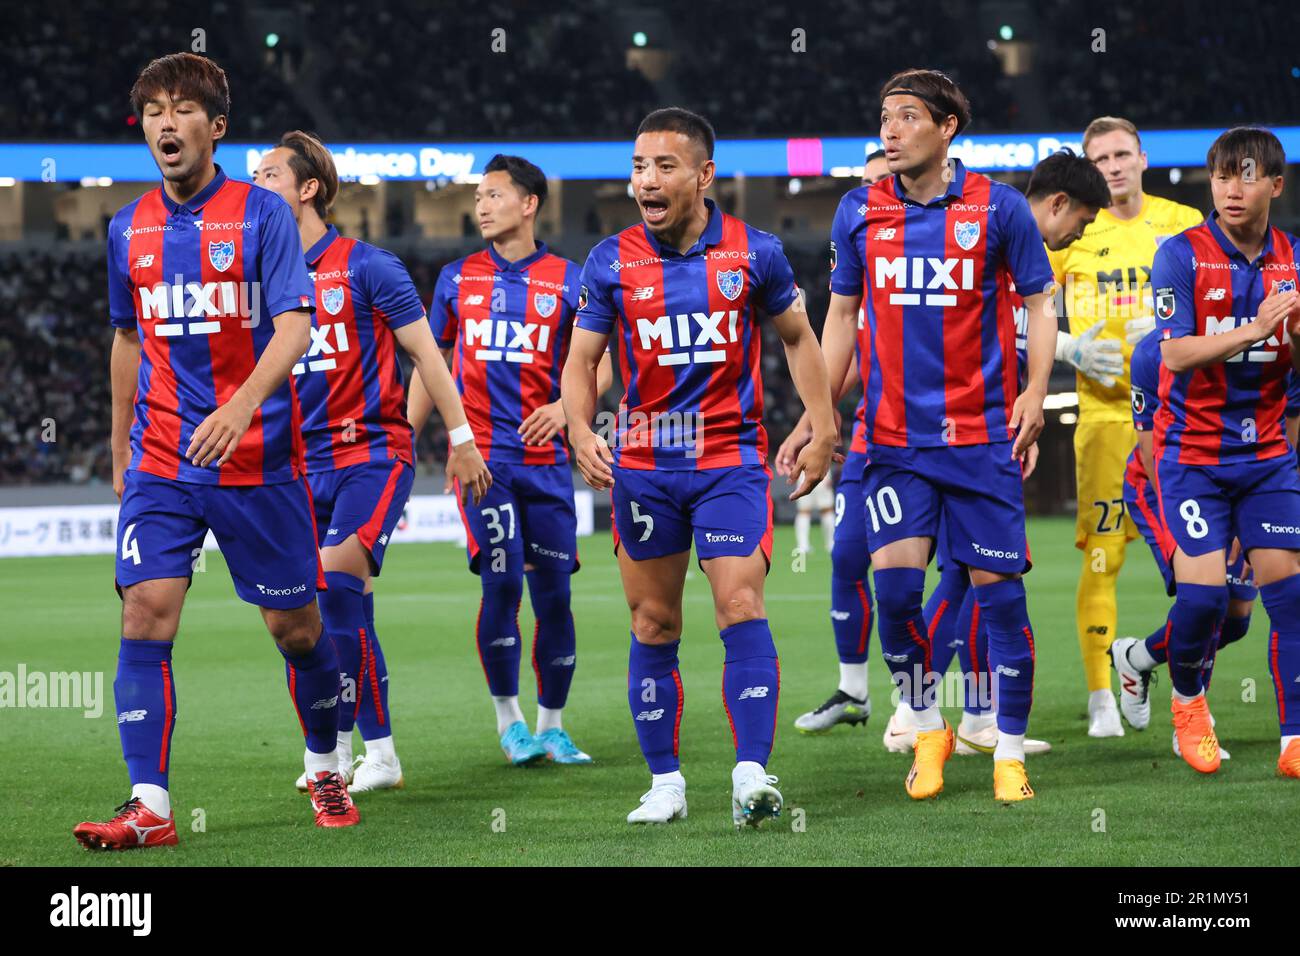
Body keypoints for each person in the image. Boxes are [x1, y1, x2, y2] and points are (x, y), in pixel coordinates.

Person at [75, 53, 355, 849]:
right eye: (154, 110)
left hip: (258, 458)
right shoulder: (127, 226)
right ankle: (149, 805)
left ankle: (324, 760)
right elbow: (128, 338)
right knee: (144, 610)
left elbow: (297, 325)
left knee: (297, 631)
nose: (167, 122)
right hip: (165, 454)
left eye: (183, 109)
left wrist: (238, 406)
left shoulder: (261, 216)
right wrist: (121, 439)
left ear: (216, 127)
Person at [561, 107, 836, 827]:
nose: (645, 181)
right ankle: (665, 783)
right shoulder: (611, 259)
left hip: (728, 458)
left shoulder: (756, 252)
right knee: (653, 622)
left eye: (663, 167)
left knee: (740, 605)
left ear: (704, 175)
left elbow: (800, 341)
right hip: (645, 462)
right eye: (638, 168)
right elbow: (583, 360)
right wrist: (581, 427)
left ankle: (750, 773)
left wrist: (824, 425)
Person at [820, 69, 1055, 802]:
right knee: (893, 596)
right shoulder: (858, 210)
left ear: (948, 127)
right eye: (884, 116)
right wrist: (822, 412)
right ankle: (927, 727)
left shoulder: (1000, 208)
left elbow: (1041, 304)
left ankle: (1007, 753)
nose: (890, 130)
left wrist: (1037, 393)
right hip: (893, 441)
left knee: (1001, 601)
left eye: (908, 116)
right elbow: (838, 318)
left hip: (983, 440)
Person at [253, 131, 491, 792]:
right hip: (293, 470)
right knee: (302, 612)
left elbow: (430, 357)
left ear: (307, 189)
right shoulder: (254, 280)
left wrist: (462, 438)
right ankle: (362, 752)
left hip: (370, 456)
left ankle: (349, 756)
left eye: (269, 174)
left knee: (334, 590)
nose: (254, 184)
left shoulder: (367, 267)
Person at [411, 155, 610, 766]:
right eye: (478, 195)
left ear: (529, 204)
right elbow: (432, 363)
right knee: (501, 585)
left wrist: (566, 407)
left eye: (494, 194)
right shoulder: (455, 278)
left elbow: (602, 359)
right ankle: (510, 722)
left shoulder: (570, 278)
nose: (481, 204)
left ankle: (552, 726)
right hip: (484, 461)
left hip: (547, 463)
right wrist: (403, 440)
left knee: (554, 595)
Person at [1148, 126, 1300, 777]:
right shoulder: (1180, 254)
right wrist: (1257, 328)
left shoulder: (1294, 258)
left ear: (1275, 184)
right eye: (1220, 176)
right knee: (1206, 600)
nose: (1231, 189)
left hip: (1268, 457)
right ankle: (1188, 704)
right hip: (1192, 458)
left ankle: (1295, 739)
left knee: (1290, 597)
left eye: (1245, 175)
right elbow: (1175, 354)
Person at [1047, 117, 1204, 737]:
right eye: (1099, 158)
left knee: (1201, 564)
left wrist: (1175, 333)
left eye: (1120, 154)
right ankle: (1100, 696)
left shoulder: (1184, 223)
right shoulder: (1071, 235)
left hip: (1186, 416)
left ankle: (1179, 683)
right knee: (1103, 561)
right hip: (1107, 417)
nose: (1111, 166)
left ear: (1142, 158)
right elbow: (1011, 314)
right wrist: (1067, 348)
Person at [1109, 329, 1254, 758]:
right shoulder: (1153, 353)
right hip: (1165, 483)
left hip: (1241, 480)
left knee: (1236, 620)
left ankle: (1136, 658)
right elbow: (1150, 449)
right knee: (1203, 602)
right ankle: (1190, 720)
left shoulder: (1268, 340)